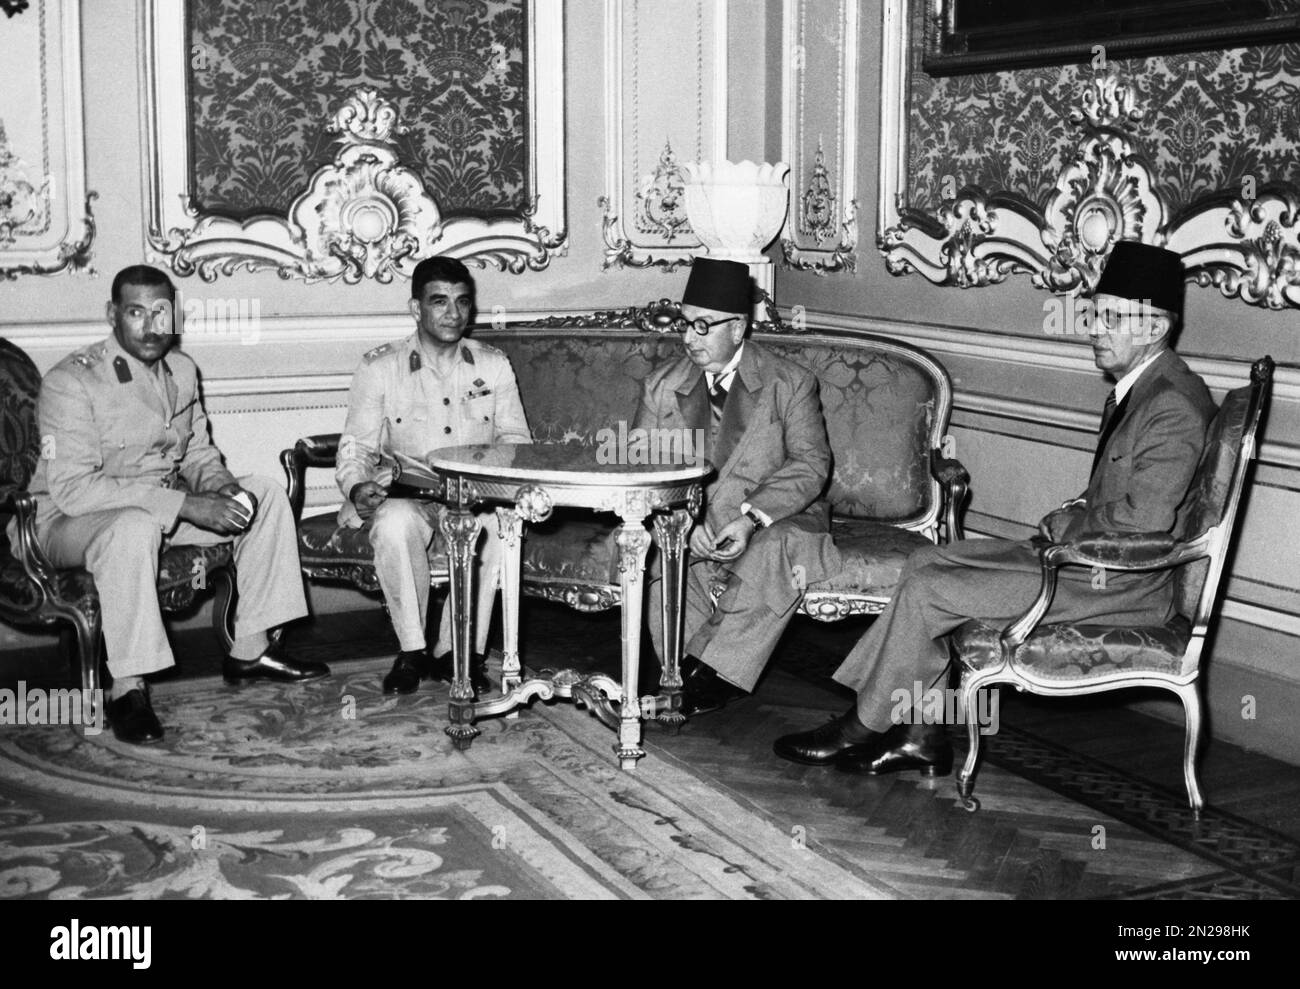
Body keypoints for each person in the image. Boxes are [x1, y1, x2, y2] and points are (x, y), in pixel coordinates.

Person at [773, 241, 1217, 775]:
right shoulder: (1147, 386)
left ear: (1154, 328)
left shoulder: (1171, 404)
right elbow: (1121, 494)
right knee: (923, 563)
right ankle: (919, 734)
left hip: (1117, 582)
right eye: (1094, 313)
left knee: (934, 586)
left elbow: (1142, 522)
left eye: (1110, 318)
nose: (1094, 329)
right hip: (1085, 563)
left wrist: (1069, 522)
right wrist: (1076, 509)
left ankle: (860, 727)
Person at [23, 264, 328, 745]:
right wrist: (186, 505)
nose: (150, 326)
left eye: (160, 312)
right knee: (133, 528)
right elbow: (74, 489)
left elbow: (198, 452)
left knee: (264, 493)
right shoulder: (72, 382)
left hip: (157, 510)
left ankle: (250, 648)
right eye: (136, 312)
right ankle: (127, 688)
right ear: (113, 315)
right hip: (68, 521)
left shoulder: (182, 370)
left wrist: (223, 487)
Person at [637, 257, 840, 715]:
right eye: (684, 324)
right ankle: (686, 675)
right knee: (661, 550)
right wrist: (683, 524)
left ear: (739, 327)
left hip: (776, 518)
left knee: (776, 549)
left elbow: (812, 463)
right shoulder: (661, 386)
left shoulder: (789, 382)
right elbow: (641, 469)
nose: (689, 338)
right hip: (692, 519)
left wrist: (750, 519)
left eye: (703, 326)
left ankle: (699, 680)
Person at [336, 256, 531, 696]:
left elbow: (518, 440)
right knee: (394, 523)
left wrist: (489, 473)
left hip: (474, 497)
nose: (453, 313)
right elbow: (356, 447)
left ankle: (459, 652)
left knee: (501, 530)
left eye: (462, 302)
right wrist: (357, 485)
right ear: (415, 309)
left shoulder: (493, 365)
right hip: (407, 496)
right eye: (439, 302)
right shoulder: (380, 367)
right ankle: (412, 650)